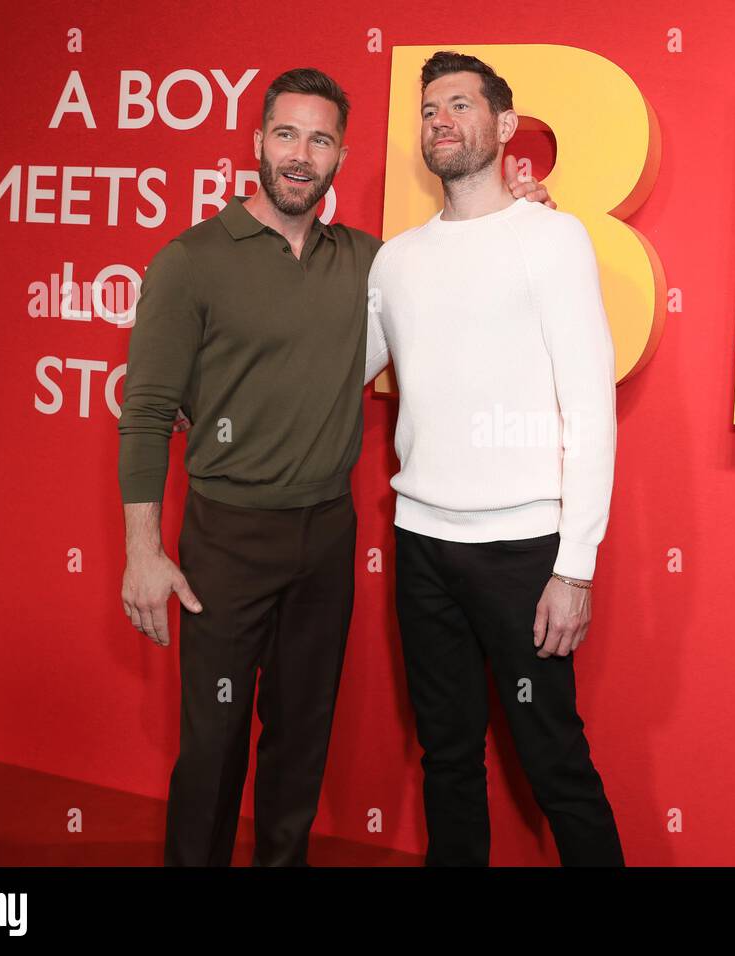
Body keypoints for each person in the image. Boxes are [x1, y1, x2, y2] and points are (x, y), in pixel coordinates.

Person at [117, 67, 552, 867]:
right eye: (286, 134)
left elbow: (454, 282)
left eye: (319, 139)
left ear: (339, 158)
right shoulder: (190, 260)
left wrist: (518, 221)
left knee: (300, 740)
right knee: (212, 744)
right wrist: (143, 552)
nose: (299, 154)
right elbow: (145, 414)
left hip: (326, 537)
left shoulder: (370, 263)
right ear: (257, 143)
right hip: (225, 540)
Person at [363, 51, 623, 866]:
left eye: (459, 106)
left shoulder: (552, 238)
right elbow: (334, 371)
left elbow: (590, 405)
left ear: (503, 126)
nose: (441, 121)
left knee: (555, 763)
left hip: (524, 553)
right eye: (430, 110)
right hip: (422, 545)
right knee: (446, 759)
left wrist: (575, 566)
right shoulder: (394, 259)